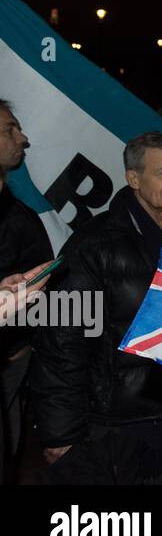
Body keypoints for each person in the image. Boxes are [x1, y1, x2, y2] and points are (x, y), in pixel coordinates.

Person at [31, 132, 162, 484]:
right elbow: (61, 342)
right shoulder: (92, 244)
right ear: (133, 178)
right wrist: (61, 433)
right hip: (117, 422)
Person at [0, 98, 55, 481]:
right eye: (9, 130)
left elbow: (46, 299)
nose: (24, 138)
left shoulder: (20, 218)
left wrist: (21, 348)